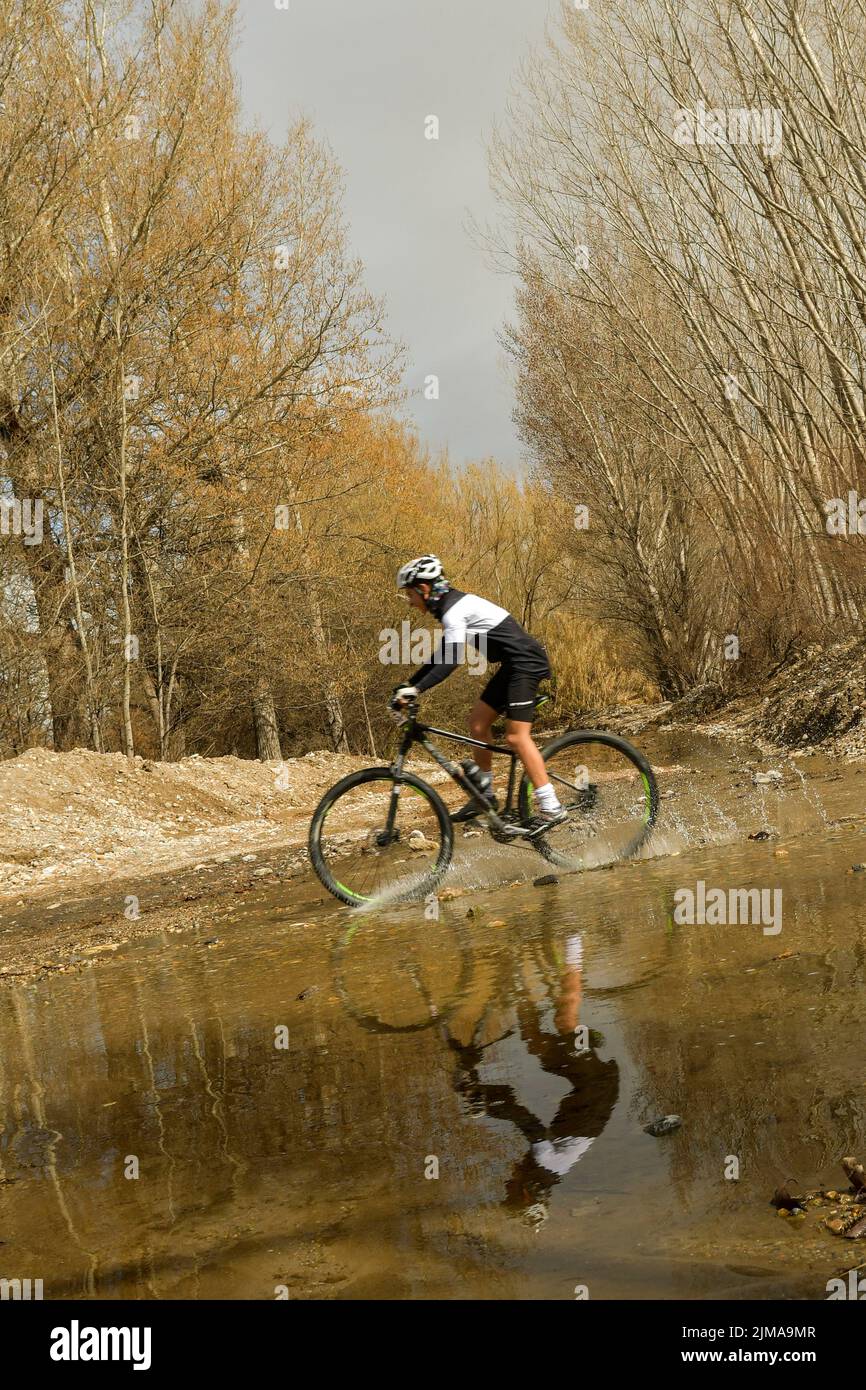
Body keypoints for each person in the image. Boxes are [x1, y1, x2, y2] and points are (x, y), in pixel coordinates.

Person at [390, 554, 565, 828]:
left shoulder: (455, 610)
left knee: (516, 737)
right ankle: (486, 794)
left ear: (424, 589)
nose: (410, 602)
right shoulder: (451, 608)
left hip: (526, 663)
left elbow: (451, 660)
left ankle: (551, 804)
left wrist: (417, 689)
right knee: (477, 724)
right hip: (512, 664)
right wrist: (410, 684)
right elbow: (442, 655)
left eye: (410, 594)